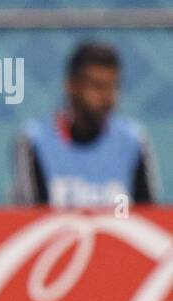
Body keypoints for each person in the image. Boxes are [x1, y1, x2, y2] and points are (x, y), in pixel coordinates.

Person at [12, 42, 161, 208]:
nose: (107, 98)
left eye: (113, 87)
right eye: (97, 86)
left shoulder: (133, 141)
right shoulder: (35, 141)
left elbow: (148, 215)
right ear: (71, 86)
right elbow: (29, 219)